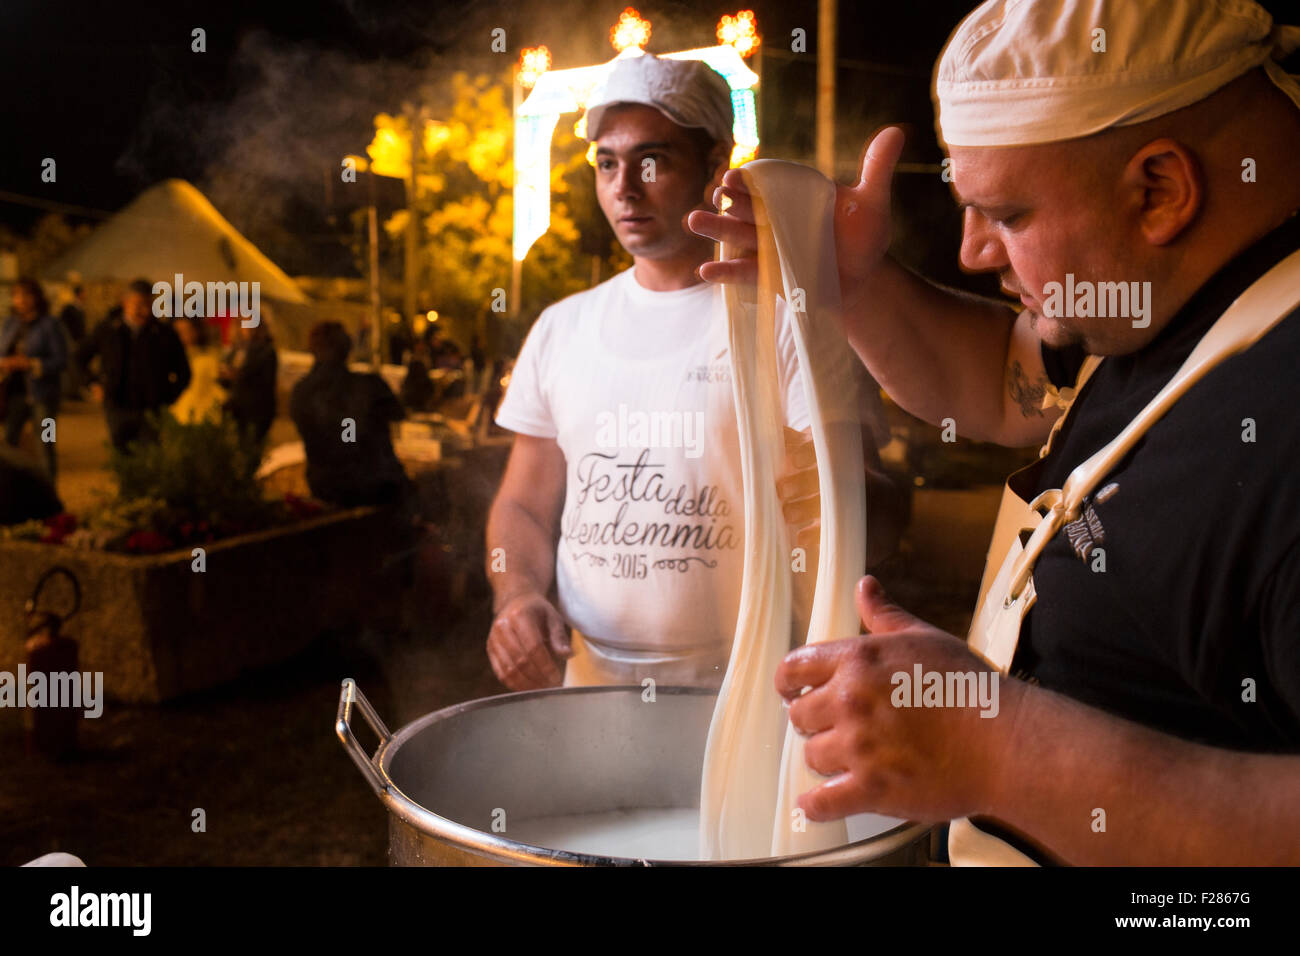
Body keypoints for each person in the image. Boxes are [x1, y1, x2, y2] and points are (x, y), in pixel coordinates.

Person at [691, 0, 1300, 865]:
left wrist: (998, 751)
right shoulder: (1167, 299)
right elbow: (998, 380)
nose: (973, 250)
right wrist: (853, 284)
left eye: (1007, 215)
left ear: (1160, 190)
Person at [486, 53, 901, 692]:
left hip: (748, 687)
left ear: (715, 168)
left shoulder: (785, 319)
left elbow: (868, 502)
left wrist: (854, 501)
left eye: (653, 160)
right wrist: (515, 598)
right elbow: (523, 503)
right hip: (588, 683)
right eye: (606, 162)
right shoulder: (562, 329)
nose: (624, 185)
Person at [289, 320, 410, 508]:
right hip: (370, 486)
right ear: (346, 349)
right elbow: (350, 435)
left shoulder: (302, 391)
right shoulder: (367, 386)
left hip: (325, 484)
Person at [76, 278, 190, 452]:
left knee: (149, 456)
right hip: (117, 406)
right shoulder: (108, 329)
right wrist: (93, 384)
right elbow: (78, 358)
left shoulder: (163, 334)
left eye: (148, 305)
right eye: (139, 305)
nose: (144, 311)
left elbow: (184, 372)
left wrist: (167, 397)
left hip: (151, 408)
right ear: (125, 302)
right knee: (122, 456)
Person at [1, 278, 67, 481]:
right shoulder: (10, 323)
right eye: (17, 295)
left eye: (26, 295)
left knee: (46, 446)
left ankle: (51, 503)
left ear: (37, 298)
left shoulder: (50, 324)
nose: (21, 300)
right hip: (14, 396)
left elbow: (62, 360)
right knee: (8, 446)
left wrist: (32, 364)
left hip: (44, 396)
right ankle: (11, 499)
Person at [220, 318, 278, 446]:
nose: (247, 328)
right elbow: (226, 378)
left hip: (257, 409)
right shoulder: (237, 349)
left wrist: (240, 376)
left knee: (252, 447)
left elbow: (267, 383)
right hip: (237, 408)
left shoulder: (266, 351)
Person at [171, 316, 228, 423]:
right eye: (178, 332)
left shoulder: (209, 357)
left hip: (204, 416)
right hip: (178, 415)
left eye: (186, 331)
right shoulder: (170, 358)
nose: (182, 336)